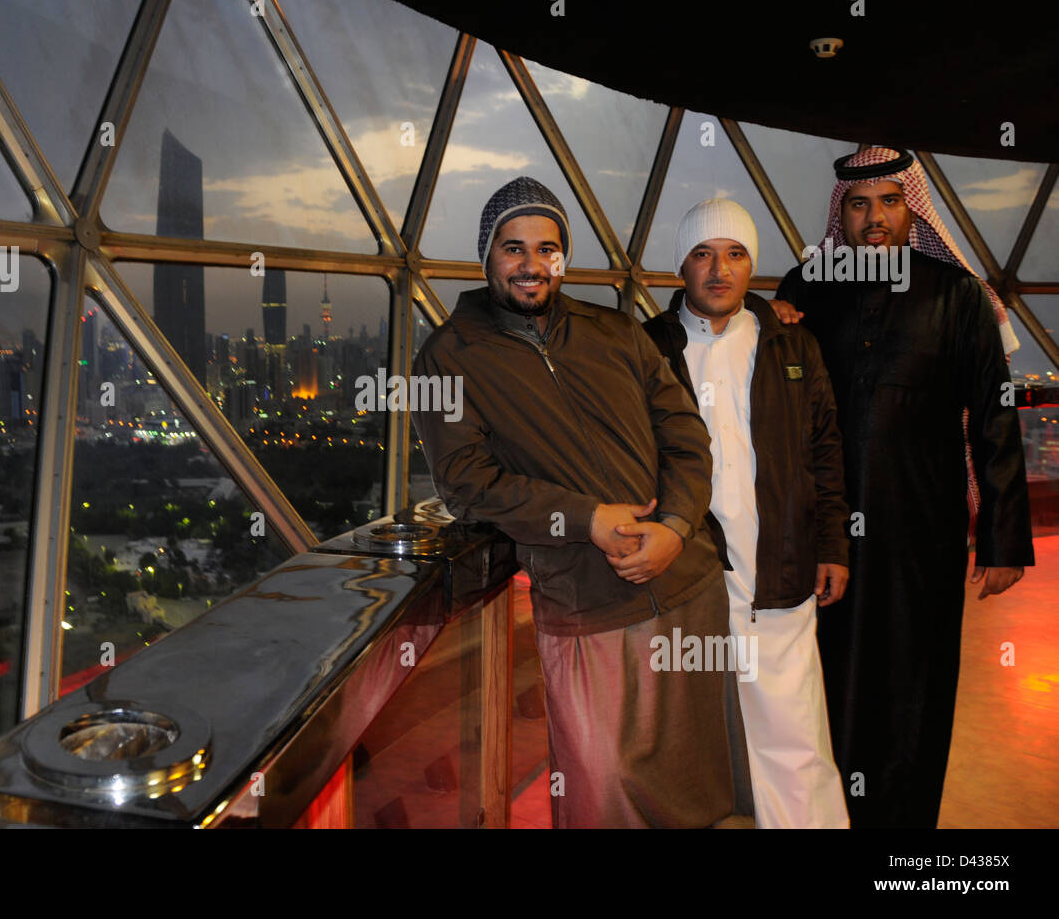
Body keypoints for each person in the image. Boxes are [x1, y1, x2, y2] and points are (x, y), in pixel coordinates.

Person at [411, 176, 738, 828]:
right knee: (601, 787)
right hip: (584, 601)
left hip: (688, 583)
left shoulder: (614, 331)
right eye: (513, 247)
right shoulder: (446, 356)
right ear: (487, 256)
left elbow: (685, 436)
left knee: (699, 784)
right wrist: (586, 518)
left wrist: (675, 524)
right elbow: (464, 480)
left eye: (548, 247)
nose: (533, 265)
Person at [775, 148, 1035, 828]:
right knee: (821, 679)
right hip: (821, 531)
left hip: (923, 531)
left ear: (910, 208)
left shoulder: (957, 296)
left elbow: (994, 413)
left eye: (889, 202)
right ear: (843, 213)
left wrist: (1003, 539)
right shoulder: (805, 290)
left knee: (913, 684)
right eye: (859, 205)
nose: (874, 219)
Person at [643, 198, 850, 828]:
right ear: (681, 263)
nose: (719, 270)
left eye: (734, 254)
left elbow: (824, 451)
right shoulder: (647, 347)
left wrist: (834, 545)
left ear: (751, 264)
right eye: (703, 253)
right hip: (688, 579)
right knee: (695, 742)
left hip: (780, 573)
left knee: (796, 735)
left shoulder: (792, 341)